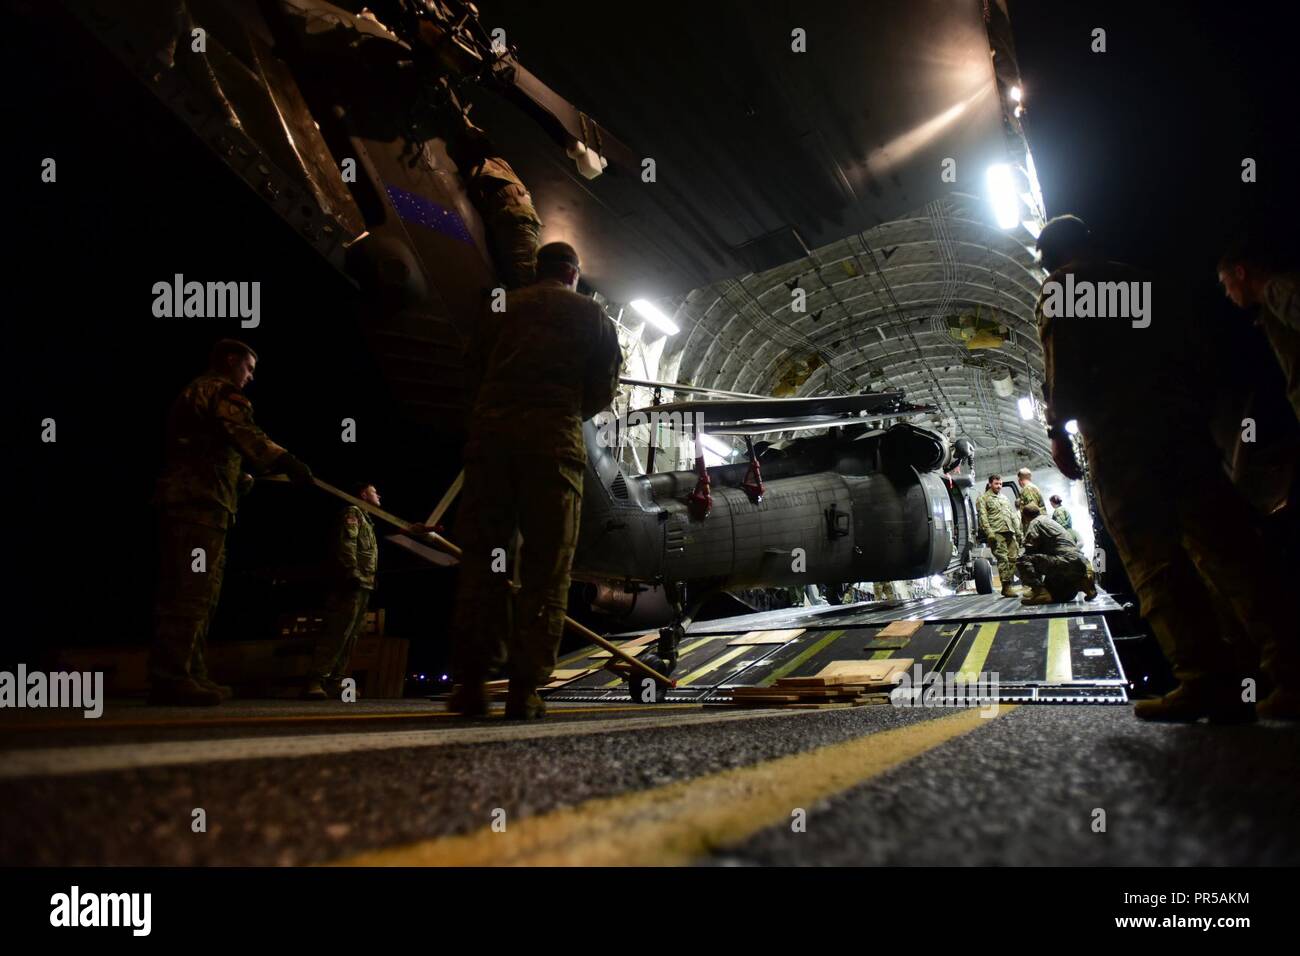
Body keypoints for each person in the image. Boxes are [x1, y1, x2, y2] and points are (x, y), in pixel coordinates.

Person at [1035, 215, 1297, 721]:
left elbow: (1062, 372)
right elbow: (1193, 351)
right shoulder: (1138, 282)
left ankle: (1205, 680)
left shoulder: (1061, 288)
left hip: (1120, 440)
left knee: (1152, 557)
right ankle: (1289, 670)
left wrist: (1056, 431)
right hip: (1181, 430)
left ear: (1049, 255)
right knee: (1228, 548)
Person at [447, 242, 623, 719]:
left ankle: (470, 688)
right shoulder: (593, 316)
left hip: (490, 448)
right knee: (547, 570)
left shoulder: (502, 307)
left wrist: (494, 414)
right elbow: (603, 390)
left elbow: (470, 371)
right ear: (573, 274)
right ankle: (524, 692)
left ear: (539, 270)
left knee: (483, 564)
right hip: (553, 452)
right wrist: (562, 412)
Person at [152, 340, 313, 706]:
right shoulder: (219, 391)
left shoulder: (198, 392)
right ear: (231, 360)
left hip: (202, 502)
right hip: (198, 505)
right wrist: (285, 460)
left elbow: (206, 447)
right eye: (249, 367)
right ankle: (173, 677)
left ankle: (188, 673)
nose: (251, 376)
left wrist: (241, 480)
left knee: (200, 593)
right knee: (190, 592)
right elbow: (244, 433)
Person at [305, 482, 381, 700]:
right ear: (363, 494)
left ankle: (335, 680)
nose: (379, 495)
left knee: (351, 636)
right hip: (350, 583)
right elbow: (347, 544)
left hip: (365, 583)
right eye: (375, 492)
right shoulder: (352, 513)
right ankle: (316, 680)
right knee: (337, 631)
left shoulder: (368, 520)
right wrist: (352, 572)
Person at [1217, 236, 1300, 421]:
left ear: (1240, 272)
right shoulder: (1272, 305)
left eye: (1225, 283)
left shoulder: (1277, 290)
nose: (1227, 293)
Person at [1017, 504, 1096, 605]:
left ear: (1025, 516)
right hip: (1080, 563)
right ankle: (1085, 585)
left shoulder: (1035, 522)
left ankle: (1040, 593)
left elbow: (1029, 547)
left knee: (1022, 560)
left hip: (1065, 562)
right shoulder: (1049, 521)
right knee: (1056, 594)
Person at [976, 474, 1021, 598]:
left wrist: (1017, 531)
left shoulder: (1004, 498)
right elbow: (983, 517)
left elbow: (1011, 515)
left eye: (1000, 484)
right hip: (996, 533)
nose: (999, 486)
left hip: (1009, 531)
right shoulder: (983, 498)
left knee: (1013, 558)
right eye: (996, 484)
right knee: (1003, 559)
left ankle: (1009, 583)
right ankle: (1006, 587)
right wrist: (989, 532)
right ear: (990, 484)